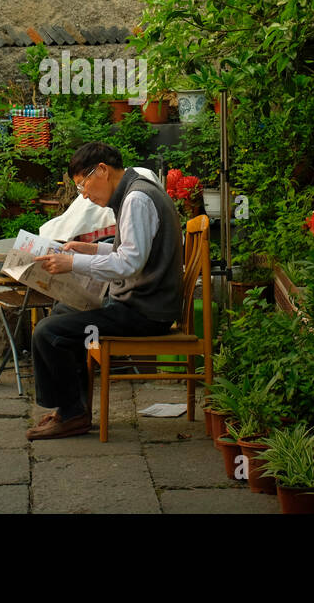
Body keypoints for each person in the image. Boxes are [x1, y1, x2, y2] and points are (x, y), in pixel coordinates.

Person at [25, 142, 183, 440]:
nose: (84, 194)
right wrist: (91, 248)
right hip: (145, 302)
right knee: (61, 311)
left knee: (48, 332)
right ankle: (73, 410)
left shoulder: (136, 199)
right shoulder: (136, 188)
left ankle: (72, 415)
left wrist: (73, 263)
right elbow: (135, 251)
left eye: (83, 185)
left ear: (102, 171)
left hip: (145, 310)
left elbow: (129, 264)